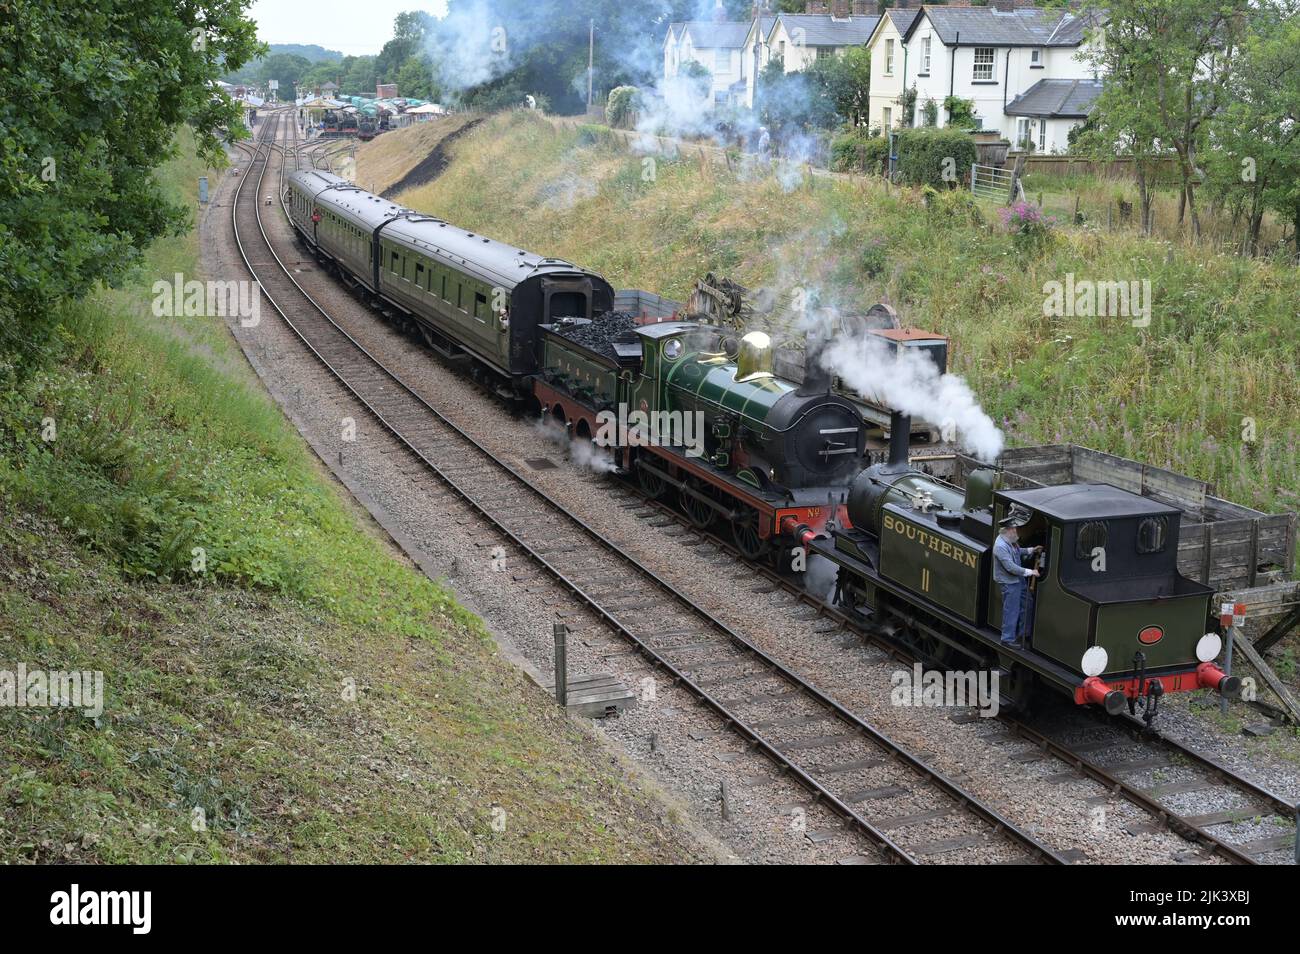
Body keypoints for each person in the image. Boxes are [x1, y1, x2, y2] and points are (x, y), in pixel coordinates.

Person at [993, 506, 1042, 647]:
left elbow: (1017, 551)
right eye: (1013, 530)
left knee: (1027, 602)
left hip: (1017, 580)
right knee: (1011, 610)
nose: (1016, 531)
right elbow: (1011, 567)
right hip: (1009, 582)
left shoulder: (1010, 541)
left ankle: (1023, 634)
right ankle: (1007, 639)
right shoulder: (1000, 546)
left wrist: (1031, 550)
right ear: (1007, 531)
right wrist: (1030, 572)